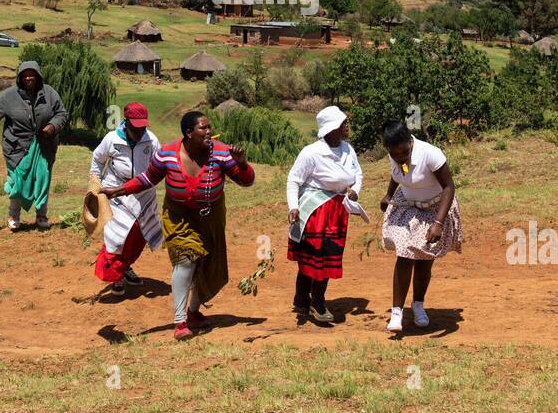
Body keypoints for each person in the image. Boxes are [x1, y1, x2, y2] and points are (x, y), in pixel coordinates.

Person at [102, 111, 254, 341]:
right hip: (178, 217)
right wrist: (119, 190)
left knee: (205, 264)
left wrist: (242, 163)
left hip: (211, 218)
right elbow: (147, 179)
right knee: (186, 260)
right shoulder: (166, 154)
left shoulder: (221, 153)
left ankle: (193, 312)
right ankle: (180, 321)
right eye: (203, 128)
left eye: (210, 127)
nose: (209, 132)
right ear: (188, 133)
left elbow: (247, 181)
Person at [378, 120, 462, 333]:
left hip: (435, 209)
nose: (400, 157)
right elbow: (400, 172)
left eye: (404, 152)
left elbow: (448, 187)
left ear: (410, 142)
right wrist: (389, 194)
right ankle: (397, 311)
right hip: (408, 206)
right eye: (394, 154)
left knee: (424, 259)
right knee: (404, 255)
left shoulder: (430, 154)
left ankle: (418, 306)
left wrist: (439, 223)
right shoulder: (397, 154)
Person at [286, 106, 363, 324]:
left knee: (328, 256)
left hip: (338, 211)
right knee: (312, 257)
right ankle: (313, 301)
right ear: (331, 129)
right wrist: (293, 206)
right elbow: (294, 180)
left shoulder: (348, 149)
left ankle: (307, 299)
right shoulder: (311, 153)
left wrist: (355, 190)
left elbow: (358, 174)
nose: (346, 128)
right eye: (342, 125)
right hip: (316, 211)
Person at [0, 60, 67, 231]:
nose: (29, 78)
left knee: (42, 179)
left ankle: (41, 216)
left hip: (44, 146)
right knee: (17, 182)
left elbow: (61, 113)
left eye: (32, 75)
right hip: (17, 148)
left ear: (38, 76)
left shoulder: (49, 93)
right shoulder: (9, 96)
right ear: (20, 78)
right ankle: (13, 217)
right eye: (25, 75)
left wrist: (53, 126)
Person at [89, 102, 161, 295]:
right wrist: (95, 183)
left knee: (138, 234)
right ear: (126, 123)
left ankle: (126, 266)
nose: (140, 132)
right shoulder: (111, 139)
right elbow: (97, 159)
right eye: (135, 128)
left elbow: (158, 165)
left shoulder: (151, 140)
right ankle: (117, 275)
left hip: (143, 192)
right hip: (116, 192)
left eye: (143, 127)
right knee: (117, 236)